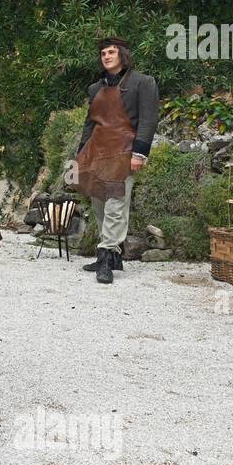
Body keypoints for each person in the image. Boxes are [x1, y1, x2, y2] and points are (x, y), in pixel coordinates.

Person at [73, 36, 159, 285]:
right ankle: (113, 255)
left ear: (122, 54)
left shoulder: (143, 83)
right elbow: (89, 125)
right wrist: (80, 156)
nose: (107, 56)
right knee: (98, 202)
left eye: (111, 52)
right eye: (103, 53)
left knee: (115, 204)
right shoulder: (95, 89)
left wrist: (139, 153)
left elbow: (148, 120)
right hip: (97, 151)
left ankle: (105, 256)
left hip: (124, 149)